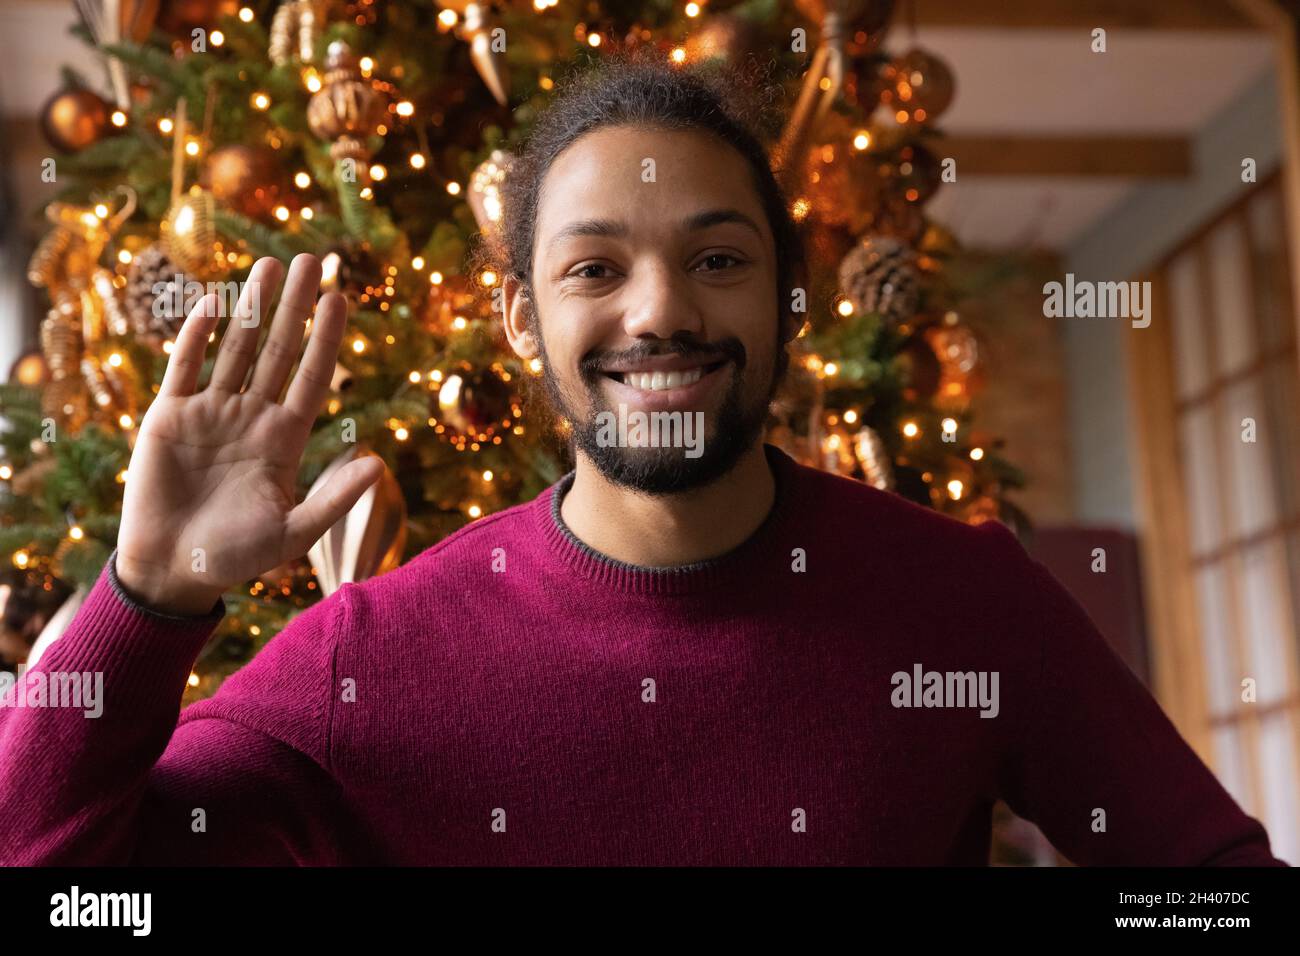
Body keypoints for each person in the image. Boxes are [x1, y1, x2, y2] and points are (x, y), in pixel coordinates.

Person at [0, 55, 1286, 866]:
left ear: (786, 298)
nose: (660, 311)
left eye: (718, 258)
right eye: (595, 268)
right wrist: (147, 595)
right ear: (521, 321)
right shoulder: (368, 655)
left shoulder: (964, 601)